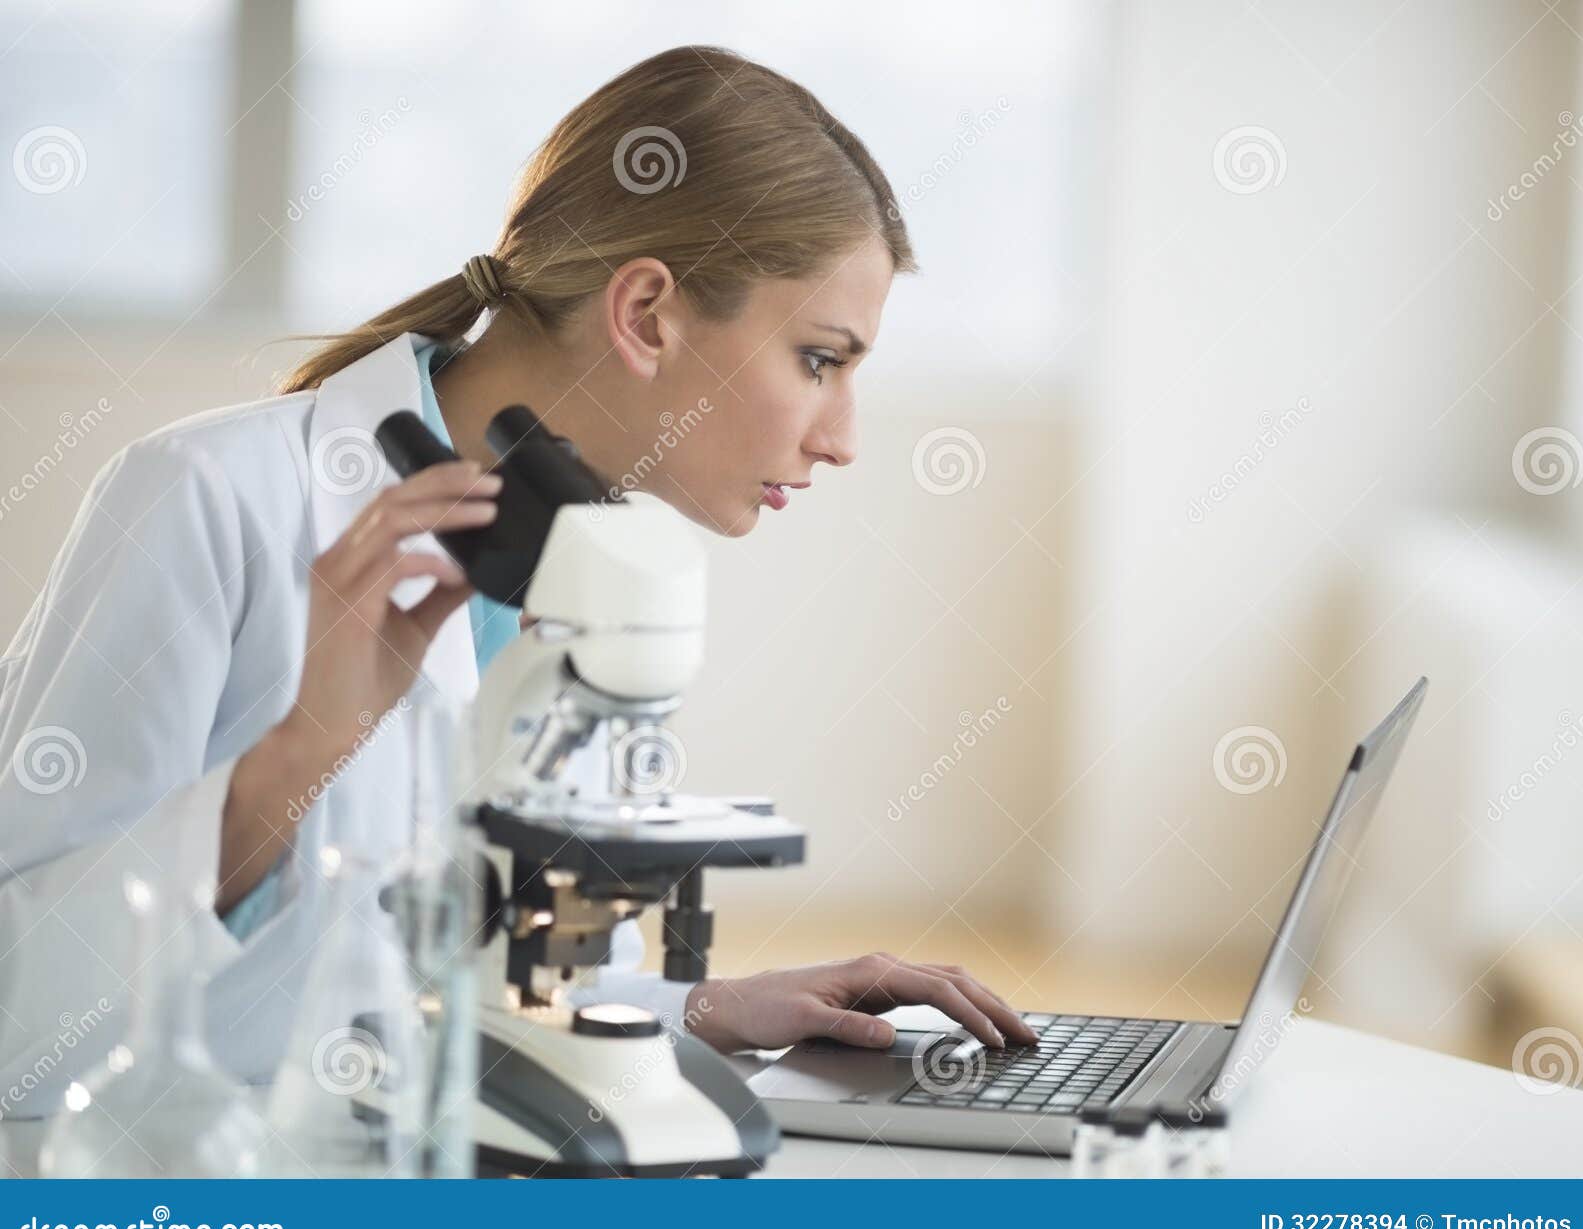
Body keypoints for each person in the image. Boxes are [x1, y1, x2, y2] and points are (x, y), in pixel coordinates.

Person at [0, 46, 1035, 1113]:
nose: (843, 439)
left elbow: (464, 995)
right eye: (820, 359)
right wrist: (299, 756)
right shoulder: (206, 498)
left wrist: (702, 1008)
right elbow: (20, 1022)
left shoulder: (594, 570)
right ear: (644, 314)